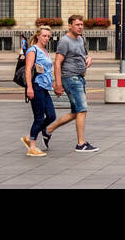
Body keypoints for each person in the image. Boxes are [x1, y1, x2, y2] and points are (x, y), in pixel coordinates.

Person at [45, 15, 98, 152]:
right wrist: (58, 83)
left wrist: (89, 59)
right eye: (77, 25)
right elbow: (57, 63)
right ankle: (81, 143)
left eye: (81, 24)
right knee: (82, 110)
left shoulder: (80, 39)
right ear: (70, 26)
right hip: (71, 78)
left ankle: (48, 130)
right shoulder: (64, 41)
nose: (80, 27)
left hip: (80, 78)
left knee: (76, 112)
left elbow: (84, 55)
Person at [21, 25, 55, 157]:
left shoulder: (45, 51)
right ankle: (32, 147)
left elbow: (46, 70)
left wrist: (52, 83)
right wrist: (29, 87)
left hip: (45, 87)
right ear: (38, 36)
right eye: (44, 36)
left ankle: (29, 137)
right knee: (39, 117)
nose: (47, 38)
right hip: (36, 86)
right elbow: (28, 70)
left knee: (51, 115)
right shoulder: (32, 50)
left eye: (48, 36)